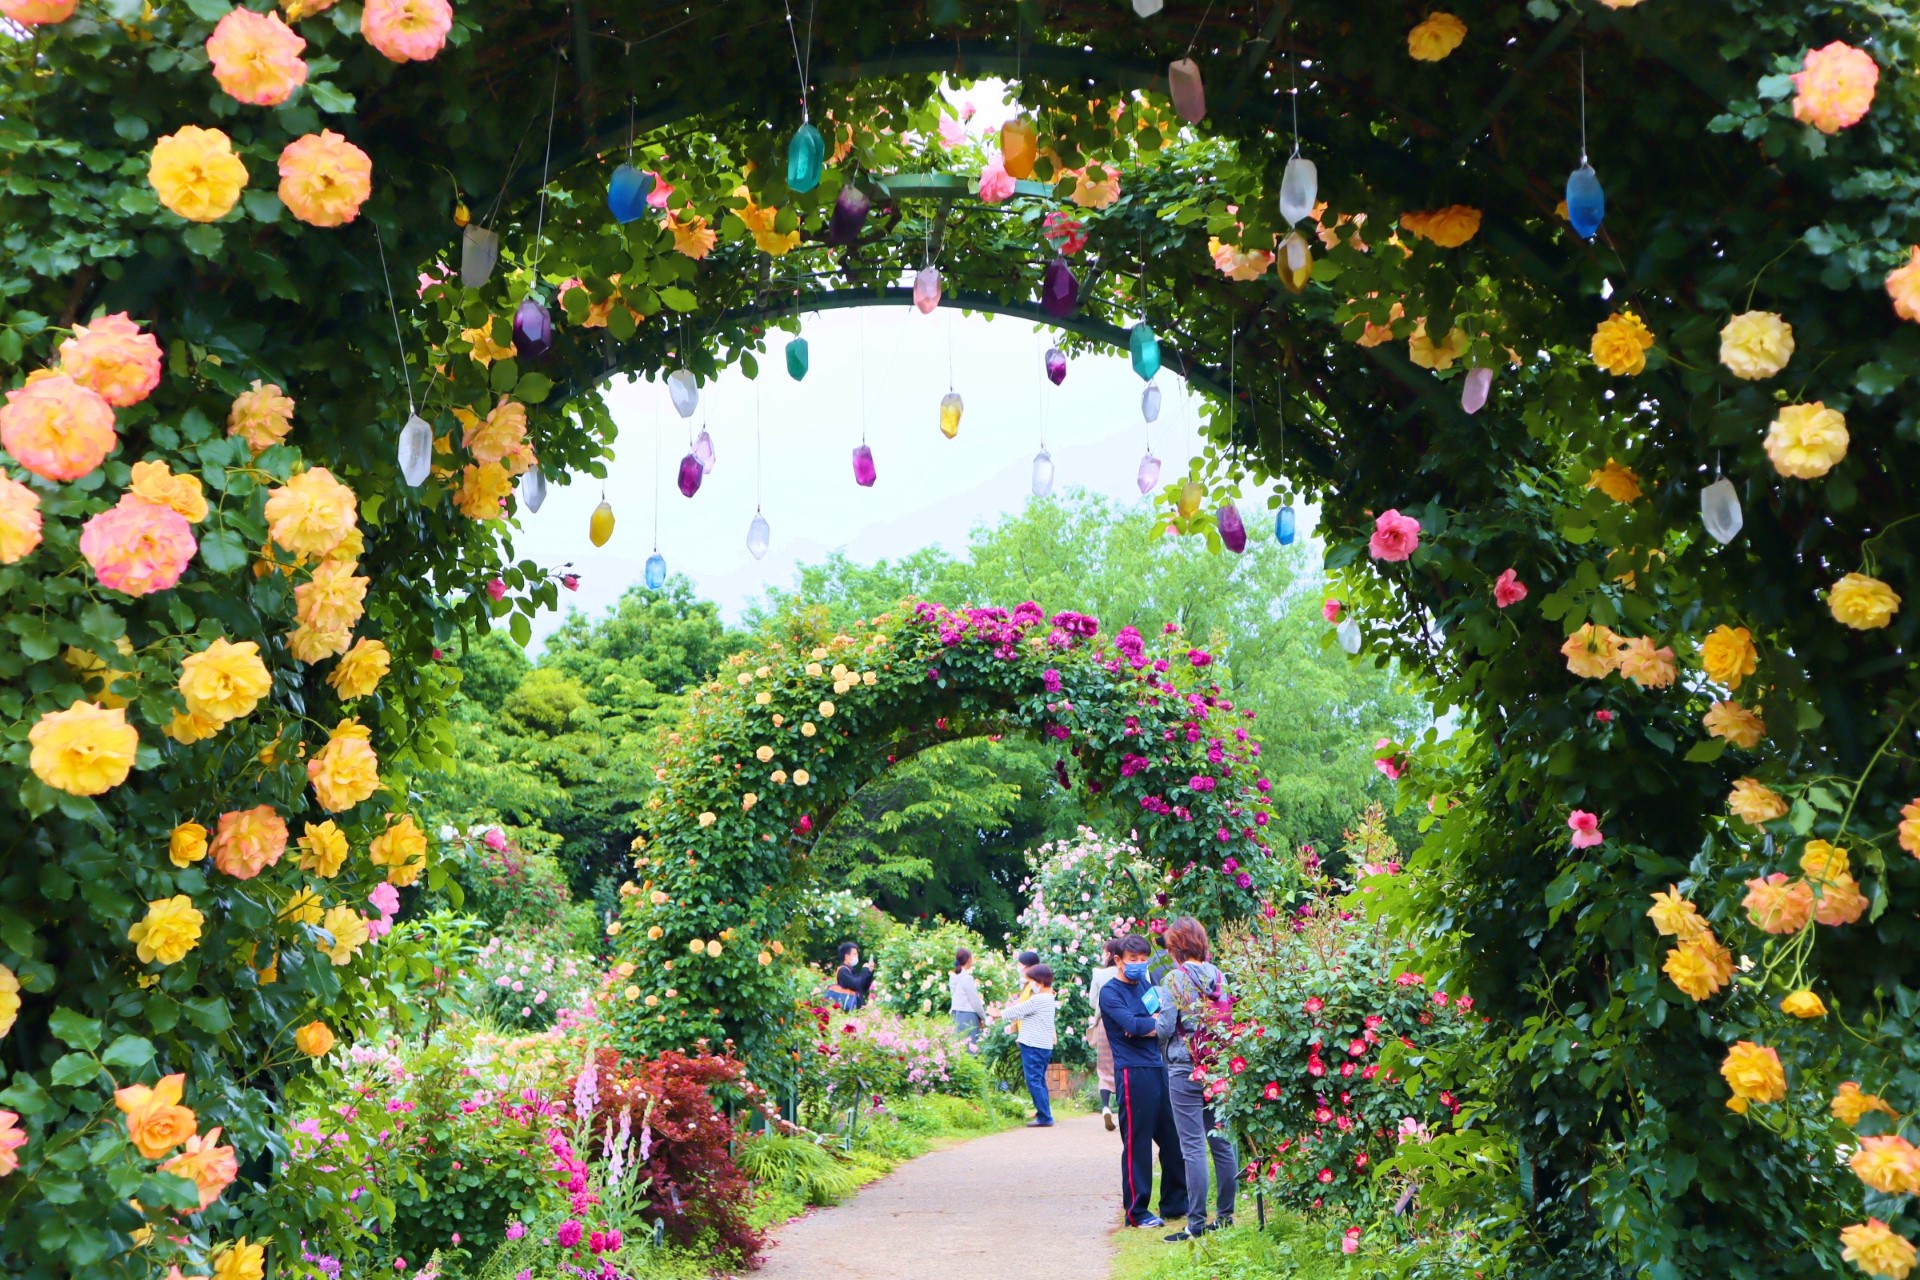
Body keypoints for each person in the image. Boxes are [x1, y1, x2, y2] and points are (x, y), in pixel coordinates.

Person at [1156, 917, 1238, 1241]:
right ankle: (1227, 1216)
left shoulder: (1175, 978)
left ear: (1176, 946)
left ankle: (1196, 1224)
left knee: (1192, 1147)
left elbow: (1164, 1027)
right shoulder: (1220, 975)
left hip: (1184, 1067)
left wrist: (1165, 1048)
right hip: (1216, 1067)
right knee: (1221, 1142)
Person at [1099, 934, 1188, 1230]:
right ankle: (1137, 1213)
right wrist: (1149, 1026)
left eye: (1142, 959)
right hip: (1132, 1072)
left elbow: (1161, 1022)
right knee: (1138, 1143)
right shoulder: (1111, 992)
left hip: (1158, 1066)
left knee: (1172, 1138)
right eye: (1132, 960)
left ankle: (1175, 1205)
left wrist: (1146, 1027)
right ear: (1118, 960)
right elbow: (1134, 1025)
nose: (1138, 964)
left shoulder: (1147, 986)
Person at [997, 963, 1058, 1127]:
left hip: (1033, 1045)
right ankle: (1044, 1112)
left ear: (1040, 981)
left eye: (1031, 981)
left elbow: (1016, 1011)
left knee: (1033, 1081)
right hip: (1043, 1046)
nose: (1030, 985)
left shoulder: (1038, 999)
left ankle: (1045, 1117)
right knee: (1039, 1080)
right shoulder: (1050, 998)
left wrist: (997, 1014)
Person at [1087, 938, 1122, 1131]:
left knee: (1105, 1067)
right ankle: (1125, 1106)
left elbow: (1093, 1001)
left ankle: (1106, 1106)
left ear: (1109, 954)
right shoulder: (1127, 971)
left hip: (1105, 1025)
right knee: (1124, 1063)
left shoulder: (1099, 974)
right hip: (1127, 1024)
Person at [949, 946, 988, 1049]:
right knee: (971, 1048)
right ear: (969, 959)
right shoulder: (967, 978)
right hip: (968, 1016)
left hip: (956, 1015)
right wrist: (984, 1017)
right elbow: (975, 1001)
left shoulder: (953, 977)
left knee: (959, 1048)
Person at [833, 942, 874, 1010]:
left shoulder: (851, 970)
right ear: (847, 956)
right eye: (854, 954)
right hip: (849, 1011)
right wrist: (865, 969)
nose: (857, 956)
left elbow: (863, 987)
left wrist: (869, 972)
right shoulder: (843, 971)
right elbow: (857, 984)